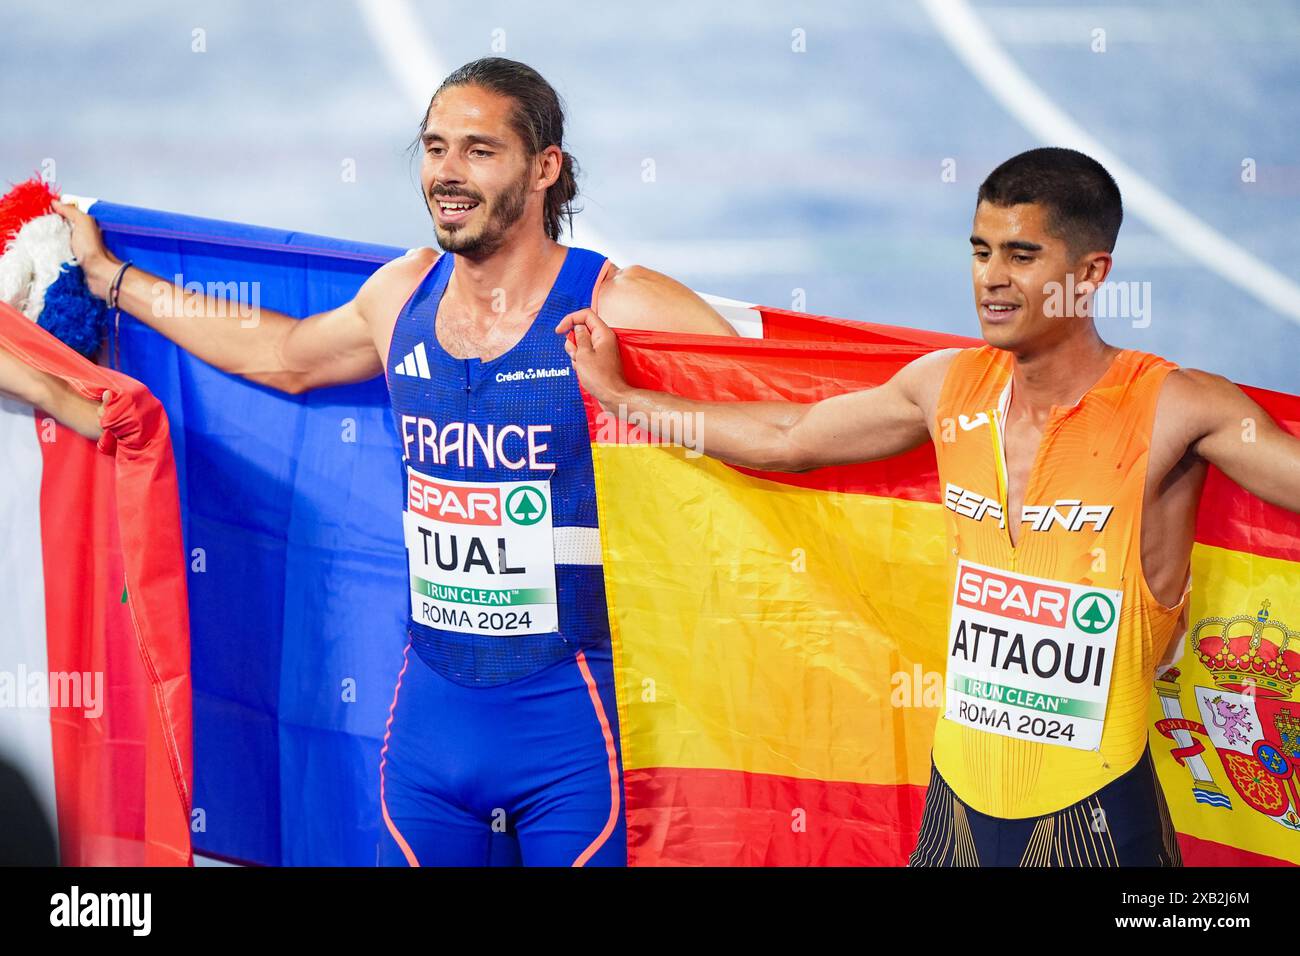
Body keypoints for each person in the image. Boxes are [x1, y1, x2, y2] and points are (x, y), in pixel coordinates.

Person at [54, 57, 736, 867]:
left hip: (579, 741)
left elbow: (770, 404)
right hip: (428, 739)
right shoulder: (401, 295)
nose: (448, 173)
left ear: (544, 167)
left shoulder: (617, 304)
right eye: (435, 147)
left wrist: (636, 401)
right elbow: (283, 356)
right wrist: (114, 279)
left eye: (480, 150)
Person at [558, 146, 1300, 866]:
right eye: (981, 251)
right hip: (957, 818)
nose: (992, 279)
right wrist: (622, 397)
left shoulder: (1174, 408)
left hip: (1099, 821)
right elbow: (790, 436)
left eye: (1021, 255)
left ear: (1091, 273)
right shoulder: (947, 386)